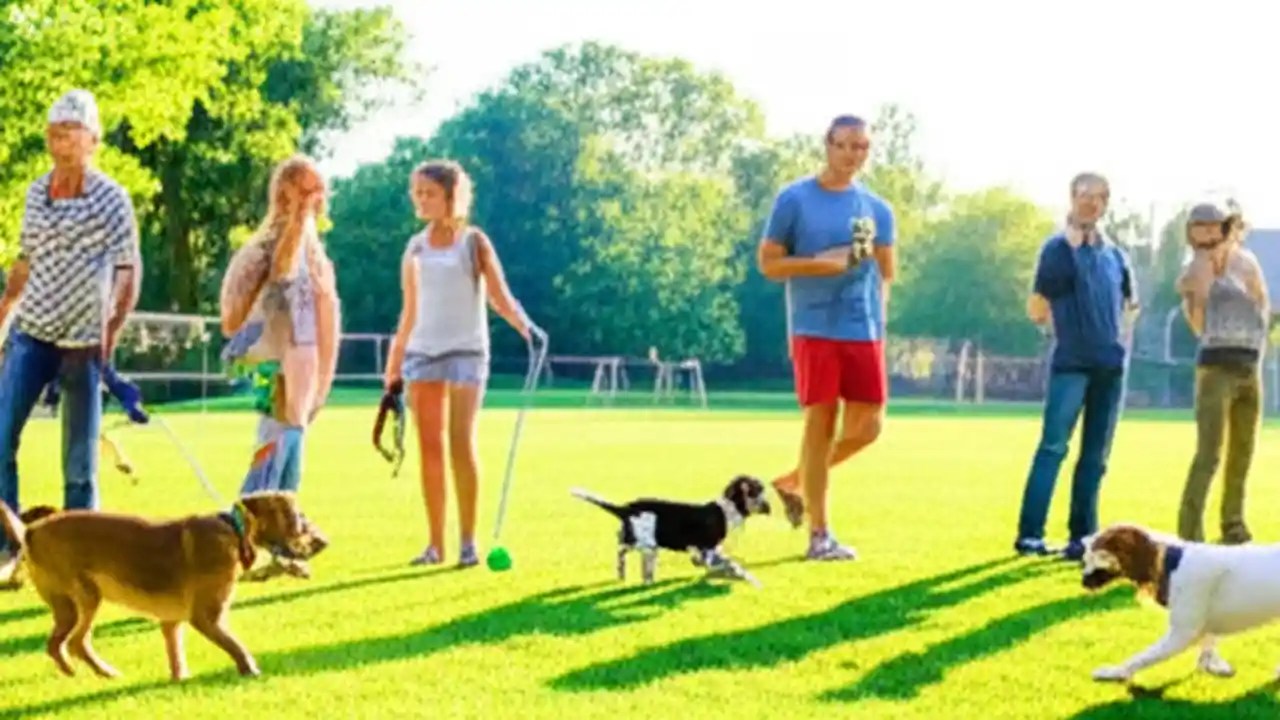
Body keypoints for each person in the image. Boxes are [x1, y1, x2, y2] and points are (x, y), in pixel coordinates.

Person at [0, 89, 142, 584]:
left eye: (69, 131)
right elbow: (24, 261)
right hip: (32, 334)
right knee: (0, 437)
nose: (59, 140)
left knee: (80, 465)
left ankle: (85, 562)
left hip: (84, 342)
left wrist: (111, 335)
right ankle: (8, 547)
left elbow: (128, 271)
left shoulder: (112, 199)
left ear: (93, 139)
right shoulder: (35, 194)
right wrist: (3, 316)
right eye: (53, 131)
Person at [383, 159, 542, 568]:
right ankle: (435, 546)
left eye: (428, 193)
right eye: (416, 193)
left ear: (451, 196)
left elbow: (499, 295)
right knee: (429, 448)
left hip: (466, 353)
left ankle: (468, 543)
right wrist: (394, 364)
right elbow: (409, 310)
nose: (420, 200)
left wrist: (526, 326)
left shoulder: (473, 242)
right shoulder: (414, 248)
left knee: (461, 443)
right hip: (422, 354)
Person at [756, 114, 897, 561]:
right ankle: (820, 535)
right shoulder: (795, 199)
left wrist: (880, 320)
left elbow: (886, 271)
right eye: (844, 145)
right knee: (820, 424)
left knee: (868, 428)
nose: (852, 155)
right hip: (814, 327)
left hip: (863, 329)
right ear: (827, 145)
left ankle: (794, 481)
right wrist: (821, 263)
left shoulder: (877, 209)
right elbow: (770, 265)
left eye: (861, 147)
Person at [219, 154, 341, 580]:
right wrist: (296, 218)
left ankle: (282, 543)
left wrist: (324, 380)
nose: (316, 198)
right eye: (306, 189)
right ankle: (237, 539)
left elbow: (326, 313)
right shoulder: (271, 242)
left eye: (317, 190)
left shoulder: (315, 250)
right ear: (285, 192)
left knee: (290, 459)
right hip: (273, 365)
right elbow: (277, 275)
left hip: (302, 369)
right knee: (271, 457)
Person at [1015, 172, 1138, 561]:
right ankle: (1030, 535)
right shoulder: (1055, 249)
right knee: (1053, 447)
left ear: (1106, 203)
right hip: (1071, 364)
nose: (1091, 203)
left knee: (1096, 458)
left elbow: (1131, 307)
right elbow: (1036, 310)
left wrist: (1120, 343)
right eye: (1085, 196)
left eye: (1099, 197)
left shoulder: (1116, 255)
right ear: (1072, 198)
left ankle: (1082, 538)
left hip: (1110, 368)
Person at [1175, 198, 1267, 545]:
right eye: (1199, 226)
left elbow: (1262, 303)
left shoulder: (1247, 262)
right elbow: (1197, 323)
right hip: (1216, 366)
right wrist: (1202, 283)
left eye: (1214, 224)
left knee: (1242, 452)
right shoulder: (1193, 266)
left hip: (1249, 364)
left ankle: (1233, 527)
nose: (1207, 231)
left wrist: (1260, 349)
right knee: (1209, 452)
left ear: (1226, 227)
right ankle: (1189, 533)